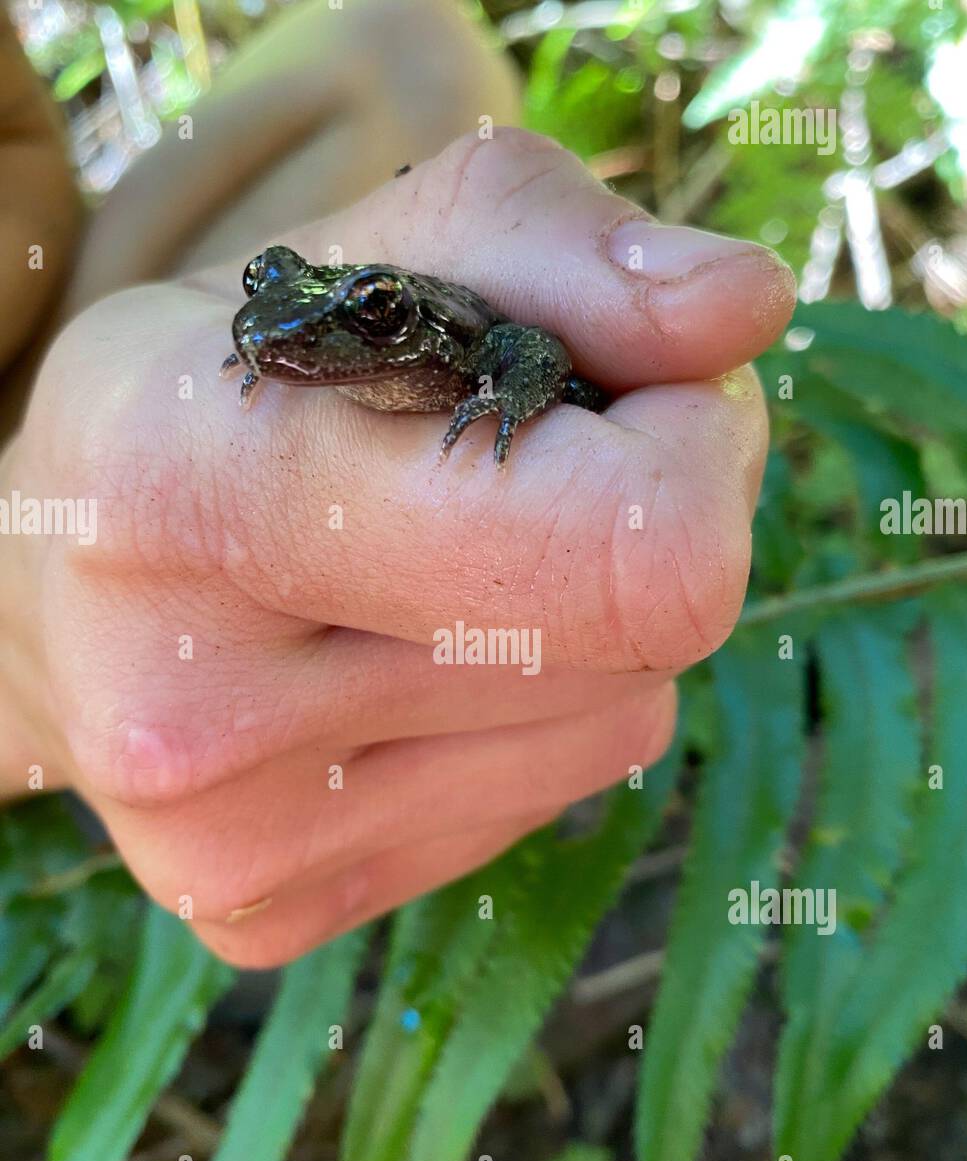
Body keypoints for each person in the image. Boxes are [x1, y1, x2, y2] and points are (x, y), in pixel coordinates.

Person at [0, 0, 796, 966]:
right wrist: (23, 651)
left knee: (411, 49)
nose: (276, 326)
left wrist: (509, 393)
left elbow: (527, 347)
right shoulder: (300, 337)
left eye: (370, 310)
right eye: (263, 297)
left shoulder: (455, 350)